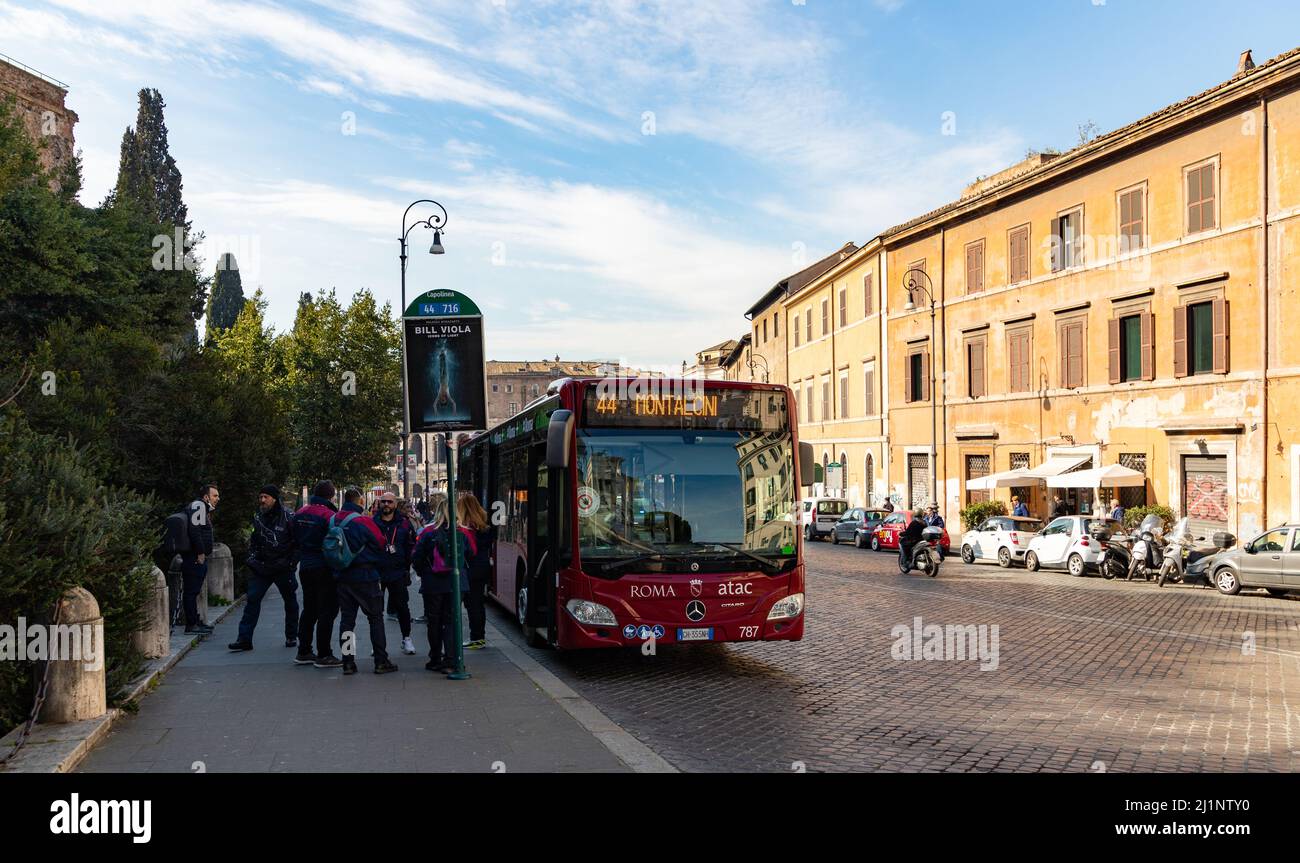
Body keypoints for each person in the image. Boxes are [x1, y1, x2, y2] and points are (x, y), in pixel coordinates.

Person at [331, 487, 397, 675]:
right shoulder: (364, 521)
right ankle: (380, 660)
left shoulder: (333, 519)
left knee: (347, 621)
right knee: (375, 618)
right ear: (360, 501)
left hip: (343, 576)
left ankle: (348, 662)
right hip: (366, 576)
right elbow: (381, 542)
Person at [229, 486, 299, 652]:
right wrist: (252, 559)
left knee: (290, 601)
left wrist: (291, 563)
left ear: (274, 498)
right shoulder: (259, 517)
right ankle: (244, 638)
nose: (262, 500)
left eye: (265, 497)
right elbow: (254, 540)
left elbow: (298, 543)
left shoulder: (289, 517)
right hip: (262, 568)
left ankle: (291, 635)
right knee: (252, 600)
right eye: (260, 497)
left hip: (283, 568)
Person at [412, 499, 469, 673]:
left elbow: (417, 556)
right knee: (452, 621)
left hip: (433, 583)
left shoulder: (428, 531)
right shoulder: (463, 532)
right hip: (456, 583)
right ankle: (451, 659)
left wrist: (423, 573)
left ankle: (435, 658)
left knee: (434, 621)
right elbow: (471, 553)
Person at [292, 480, 342, 667]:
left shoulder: (300, 513)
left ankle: (303, 650)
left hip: (305, 566)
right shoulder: (329, 515)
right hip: (324, 567)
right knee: (327, 611)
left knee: (309, 609)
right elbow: (334, 542)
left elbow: (294, 538)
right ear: (330, 496)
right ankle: (324, 654)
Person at [374, 491, 417, 656]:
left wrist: (407, 566)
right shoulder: (373, 522)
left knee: (402, 607)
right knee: (376, 610)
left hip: (398, 571)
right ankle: (377, 644)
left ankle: (406, 638)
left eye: (389, 502)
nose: (386, 504)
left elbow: (411, 545)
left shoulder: (404, 524)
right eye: (383, 501)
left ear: (395, 505)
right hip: (377, 572)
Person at [180, 485, 219, 635]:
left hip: (194, 556)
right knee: (191, 592)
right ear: (206, 497)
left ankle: (195, 622)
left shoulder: (201, 507)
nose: (218, 499)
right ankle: (191, 625)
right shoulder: (198, 506)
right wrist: (200, 552)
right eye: (215, 496)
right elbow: (194, 530)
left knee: (194, 591)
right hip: (194, 557)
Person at [458, 492, 494, 650]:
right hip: (483, 566)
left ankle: (476, 637)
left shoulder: (465, 529)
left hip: (469, 567)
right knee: (478, 603)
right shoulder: (484, 527)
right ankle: (479, 636)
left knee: (471, 604)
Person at [898, 508, 926, 572]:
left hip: (914, 540)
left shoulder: (914, 523)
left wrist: (901, 533)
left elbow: (908, 532)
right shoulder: (924, 522)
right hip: (922, 539)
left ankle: (907, 560)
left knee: (903, 544)